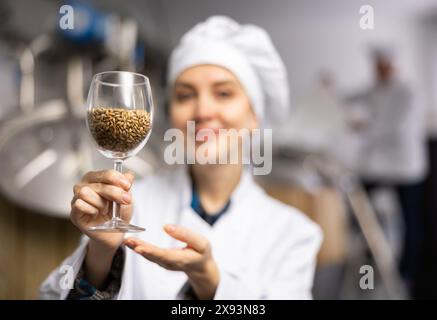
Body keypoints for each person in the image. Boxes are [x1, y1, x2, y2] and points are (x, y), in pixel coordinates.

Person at [39, 16, 322, 300]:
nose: (202, 110)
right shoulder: (126, 204)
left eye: (223, 93)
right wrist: (101, 252)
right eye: (185, 95)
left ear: (254, 116)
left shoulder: (293, 234)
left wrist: (211, 283)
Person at [347, 46, 427, 294]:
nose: (379, 71)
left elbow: (396, 127)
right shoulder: (373, 91)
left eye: (383, 66)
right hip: (378, 167)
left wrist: (365, 128)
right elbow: (350, 98)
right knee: (361, 212)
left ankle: (406, 274)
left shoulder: (406, 92)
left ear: (392, 65)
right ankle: (372, 260)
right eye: (376, 67)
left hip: (405, 168)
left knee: (410, 223)